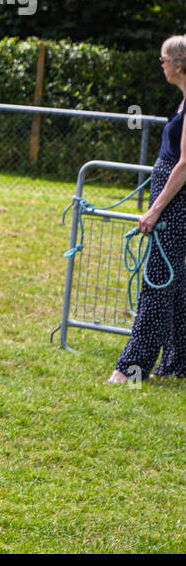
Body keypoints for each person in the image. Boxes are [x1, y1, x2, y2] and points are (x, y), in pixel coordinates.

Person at [106, 35, 186, 383]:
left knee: (157, 283)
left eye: (163, 59)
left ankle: (131, 368)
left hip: (174, 209)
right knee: (177, 287)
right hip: (172, 206)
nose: (161, 65)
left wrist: (154, 210)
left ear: (179, 64)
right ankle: (178, 364)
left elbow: (184, 165)